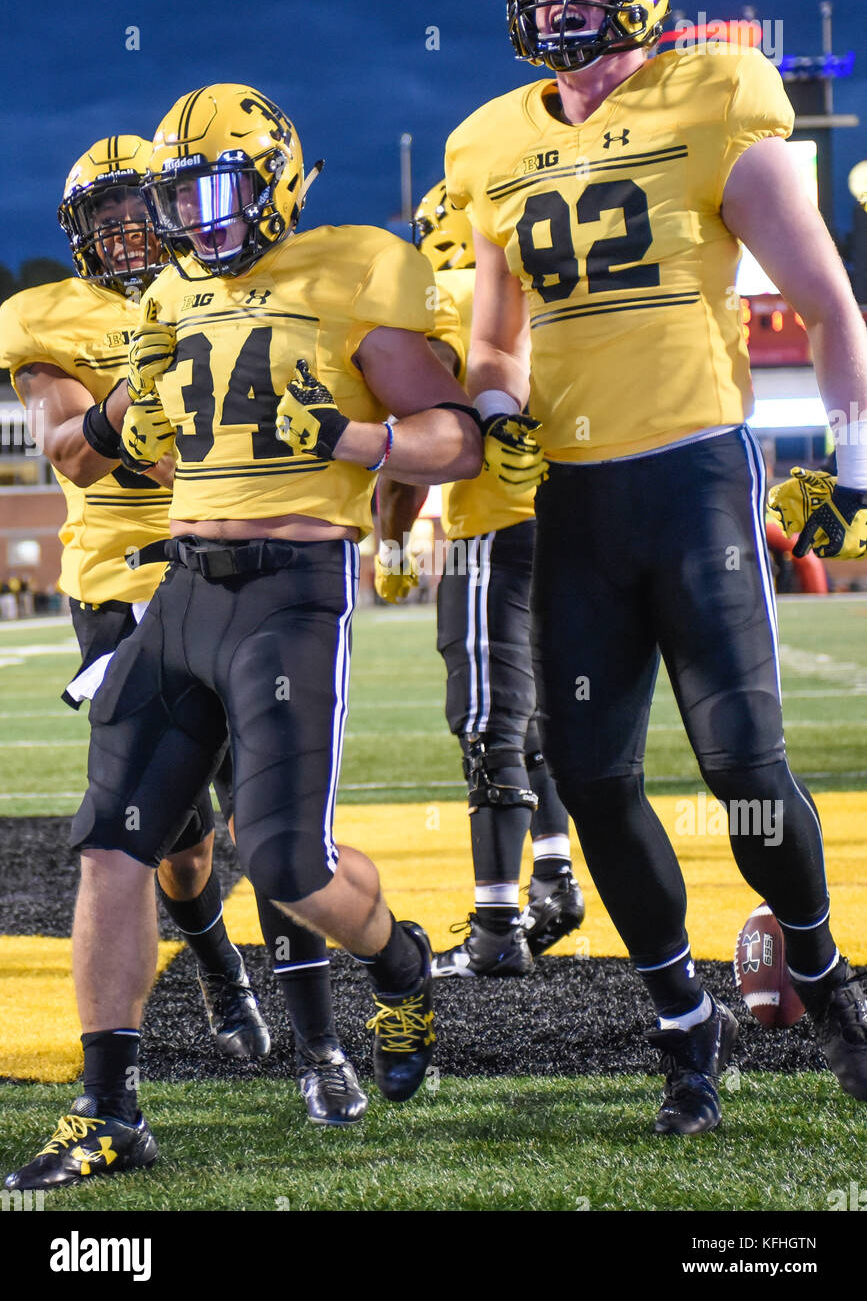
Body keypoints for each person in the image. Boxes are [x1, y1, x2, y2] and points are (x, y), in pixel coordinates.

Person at [4, 82, 484, 1190]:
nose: (194, 219)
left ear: (274, 181)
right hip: (182, 592)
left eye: (216, 190)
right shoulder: (171, 293)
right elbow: (103, 439)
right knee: (114, 845)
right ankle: (109, 1109)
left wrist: (351, 433)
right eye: (180, 196)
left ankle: (400, 964)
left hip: (289, 591)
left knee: (284, 861)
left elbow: (453, 438)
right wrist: (125, 414)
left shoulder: (356, 266)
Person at [445, 0, 867, 1133]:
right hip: (572, 496)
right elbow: (492, 339)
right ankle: (685, 1019)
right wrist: (492, 403)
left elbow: (831, 305)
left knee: (740, 765)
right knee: (591, 772)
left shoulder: (719, 94)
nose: (564, 8)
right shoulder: (491, 143)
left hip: (694, 478)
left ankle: (822, 968)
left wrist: (850, 470)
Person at [0, 134, 371, 1132]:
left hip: (233, 576)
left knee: (268, 829)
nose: (125, 236)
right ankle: (214, 963)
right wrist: (150, 378)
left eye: (138, 212)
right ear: (79, 236)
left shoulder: (237, 294)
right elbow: (75, 453)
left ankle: (321, 1046)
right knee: (175, 845)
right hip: (120, 594)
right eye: (105, 220)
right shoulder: (47, 319)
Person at [377, 180, 584, 977]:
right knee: (541, 721)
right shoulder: (560, 288)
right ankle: (556, 877)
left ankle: (497, 927)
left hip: (491, 530)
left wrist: (392, 547)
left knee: (487, 723)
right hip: (577, 527)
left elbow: (422, 444)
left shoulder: (450, 300)